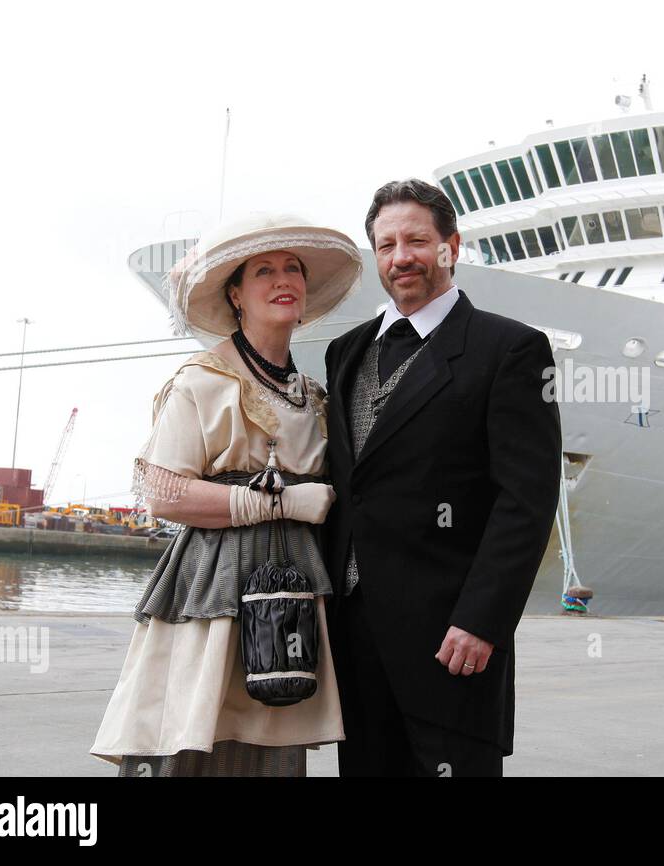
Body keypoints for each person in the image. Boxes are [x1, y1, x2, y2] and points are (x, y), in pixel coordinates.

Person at [91, 213, 362, 776]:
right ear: (236, 294)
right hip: (214, 587)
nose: (283, 279)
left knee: (272, 734)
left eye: (293, 268)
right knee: (200, 734)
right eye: (264, 270)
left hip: (292, 587)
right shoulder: (202, 380)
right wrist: (280, 504)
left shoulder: (312, 396)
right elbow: (163, 494)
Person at [322, 179, 561, 777]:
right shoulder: (345, 352)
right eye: (385, 245)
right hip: (353, 630)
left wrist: (483, 619)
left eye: (417, 241)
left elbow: (525, 500)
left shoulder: (511, 349)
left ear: (452, 245)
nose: (401, 257)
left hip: (451, 638)